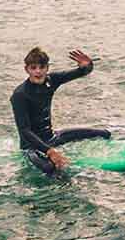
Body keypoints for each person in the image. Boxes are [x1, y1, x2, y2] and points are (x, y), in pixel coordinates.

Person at [11, 47, 108, 177]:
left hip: (51, 137)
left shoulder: (52, 80)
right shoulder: (20, 95)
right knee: (52, 169)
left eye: (42, 67)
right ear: (27, 69)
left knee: (104, 134)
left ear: (47, 68)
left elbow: (81, 72)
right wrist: (50, 152)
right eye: (33, 68)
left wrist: (88, 66)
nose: (38, 71)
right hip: (32, 147)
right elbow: (24, 131)